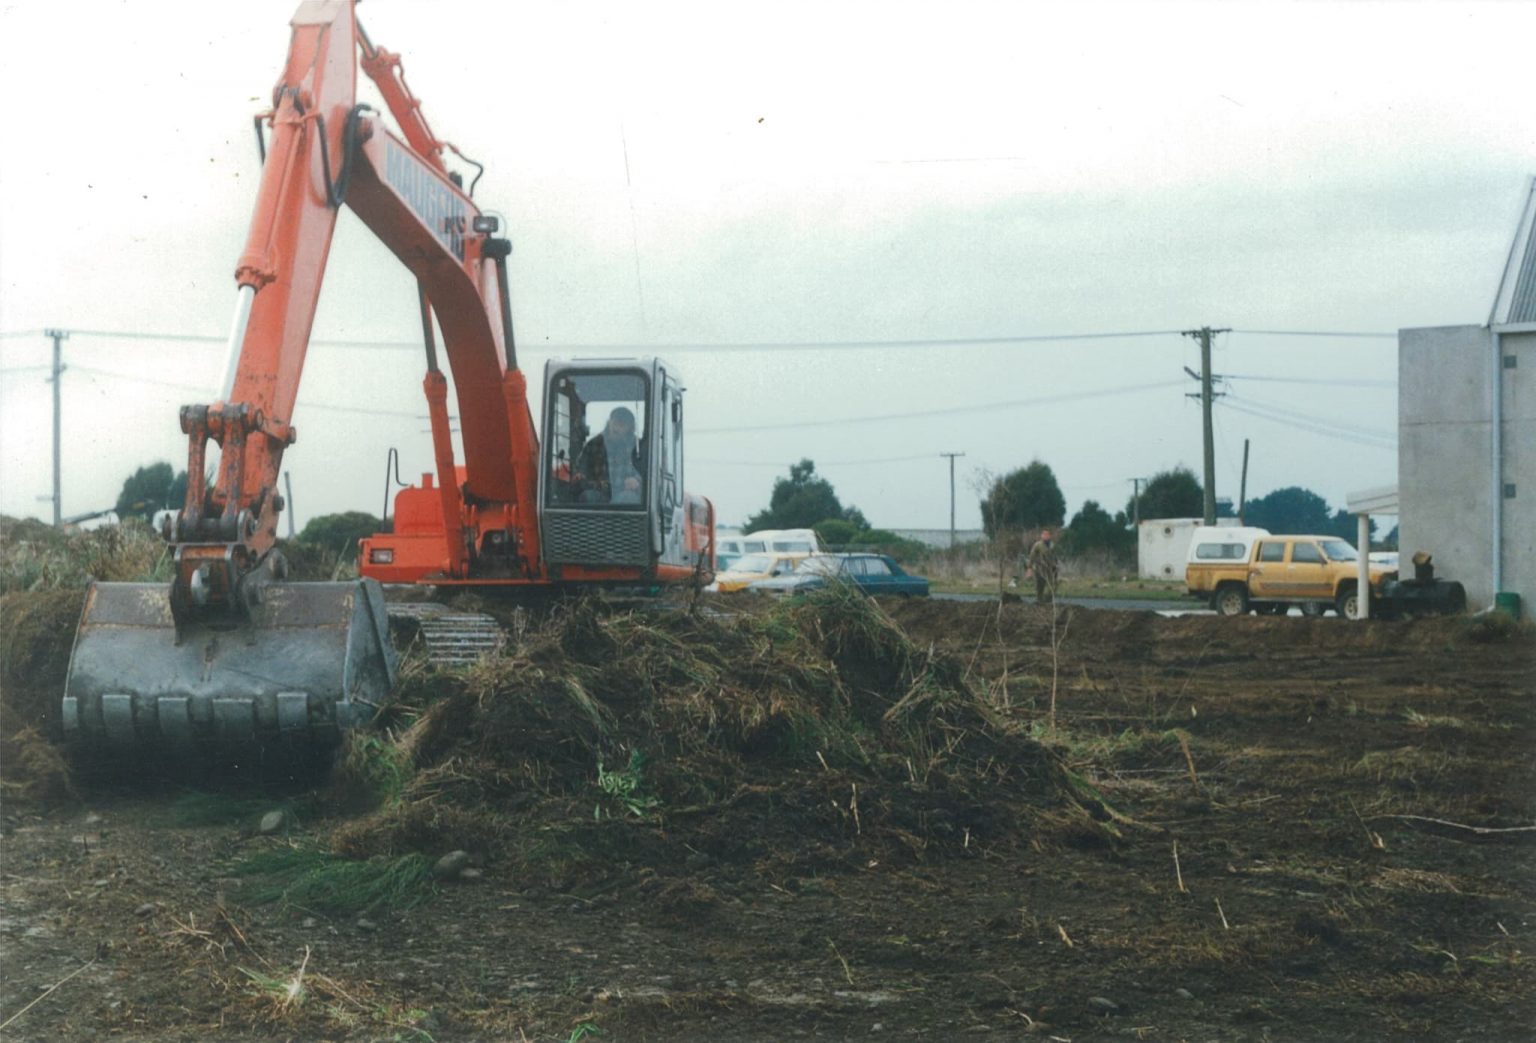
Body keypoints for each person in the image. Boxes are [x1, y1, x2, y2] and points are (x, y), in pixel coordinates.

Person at [575, 406, 643, 504]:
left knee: (629, 498)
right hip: (599, 495)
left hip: (624, 496)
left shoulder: (638, 447)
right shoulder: (593, 444)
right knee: (588, 496)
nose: (616, 428)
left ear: (630, 428)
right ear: (609, 422)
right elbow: (580, 471)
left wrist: (637, 480)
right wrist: (583, 479)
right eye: (615, 422)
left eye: (622, 424)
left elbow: (647, 474)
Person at [1027, 528, 1058, 604]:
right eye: (1044, 534)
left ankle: (1048, 600)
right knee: (1039, 586)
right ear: (1041, 535)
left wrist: (1055, 565)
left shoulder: (1052, 545)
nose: (1045, 536)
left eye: (1047, 534)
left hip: (1050, 568)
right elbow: (1032, 556)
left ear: (1050, 536)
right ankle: (1039, 601)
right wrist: (1029, 568)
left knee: (1053, 585)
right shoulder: (1038, 545)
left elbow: (1054, 556)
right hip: (1039, 568)